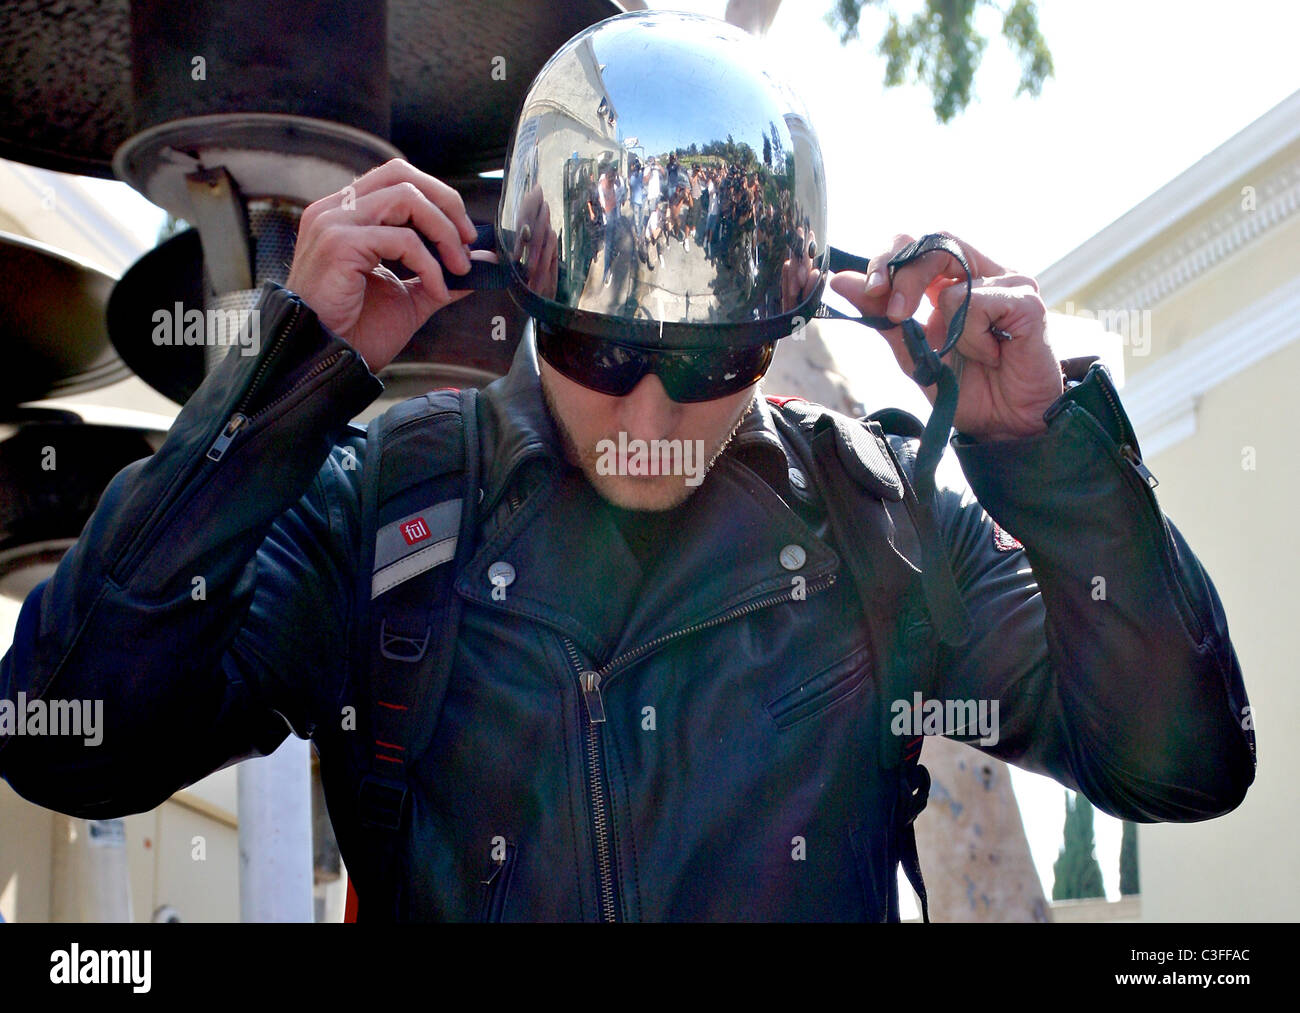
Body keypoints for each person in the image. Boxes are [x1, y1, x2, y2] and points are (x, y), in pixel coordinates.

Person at [0, 9, 1255, 922]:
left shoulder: (883, 524)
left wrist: (1047, 459)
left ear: (778, 340)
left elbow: (1183, 762)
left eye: (707, 363)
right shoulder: (385, 508)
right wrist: (280, 382)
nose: (646, 403)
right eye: (600, 348)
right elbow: (69, 730)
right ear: (528, 297)